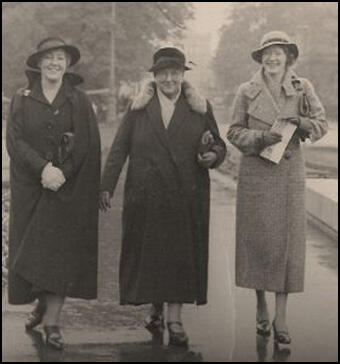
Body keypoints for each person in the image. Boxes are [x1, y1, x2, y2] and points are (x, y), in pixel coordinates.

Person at [100, 47, 226, 347]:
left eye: (175, 73)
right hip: (146, 194)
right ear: (154, 77)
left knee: (180, 257)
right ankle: (156, 308)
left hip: (186, 195)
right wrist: (106, 186)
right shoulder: (139, 108)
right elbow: (119, 149)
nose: (169, 78)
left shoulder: (199, 107)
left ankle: (175, 318)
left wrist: (212, 155)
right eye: (163, 73)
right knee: (152, 256)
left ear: (183, 76)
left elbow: (219, 145)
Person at [227, 31, 328, 344]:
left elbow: (322, 124)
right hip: (256, 174)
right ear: (261, 58)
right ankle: (260, 305)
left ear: (288, 57)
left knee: (287, 246)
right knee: (258, 242)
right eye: (267, 53)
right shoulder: (246, 90)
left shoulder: (302, 88)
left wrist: (300, 122)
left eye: (279, 53)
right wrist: (259, 139)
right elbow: (233, 131)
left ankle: (281, 316)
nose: (273, 58)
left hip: (288, 175)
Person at [6, 37, 101, 349]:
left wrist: (62, 172)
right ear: (38, 62)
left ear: (68, 63)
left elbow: (86, 143)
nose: (54, 63)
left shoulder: (79, 99)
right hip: (32, 187)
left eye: (60, 58)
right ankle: (41, 305)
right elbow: (15, 141)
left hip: (65, 189)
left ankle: (53, 323)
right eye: (49, 57)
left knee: (58, 255)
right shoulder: (22, 97)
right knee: (33, 251)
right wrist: (43, 169)